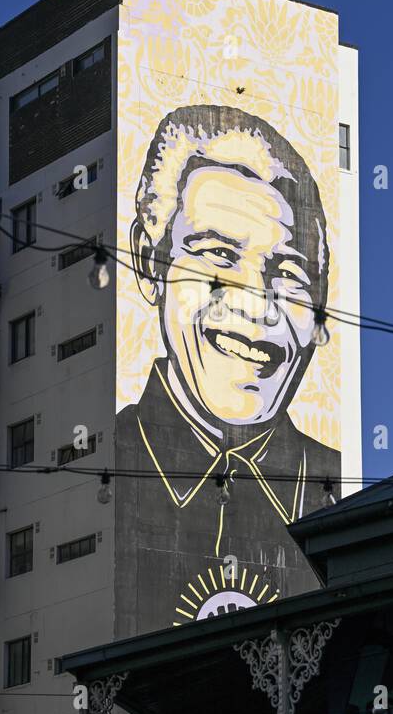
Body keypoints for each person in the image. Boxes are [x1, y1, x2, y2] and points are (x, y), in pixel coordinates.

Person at [115, 105, 339, 628]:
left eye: (289, 273)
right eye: (217, 254)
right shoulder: (100, 465)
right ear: (149, 262)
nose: (254, 301)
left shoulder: (333, 491)